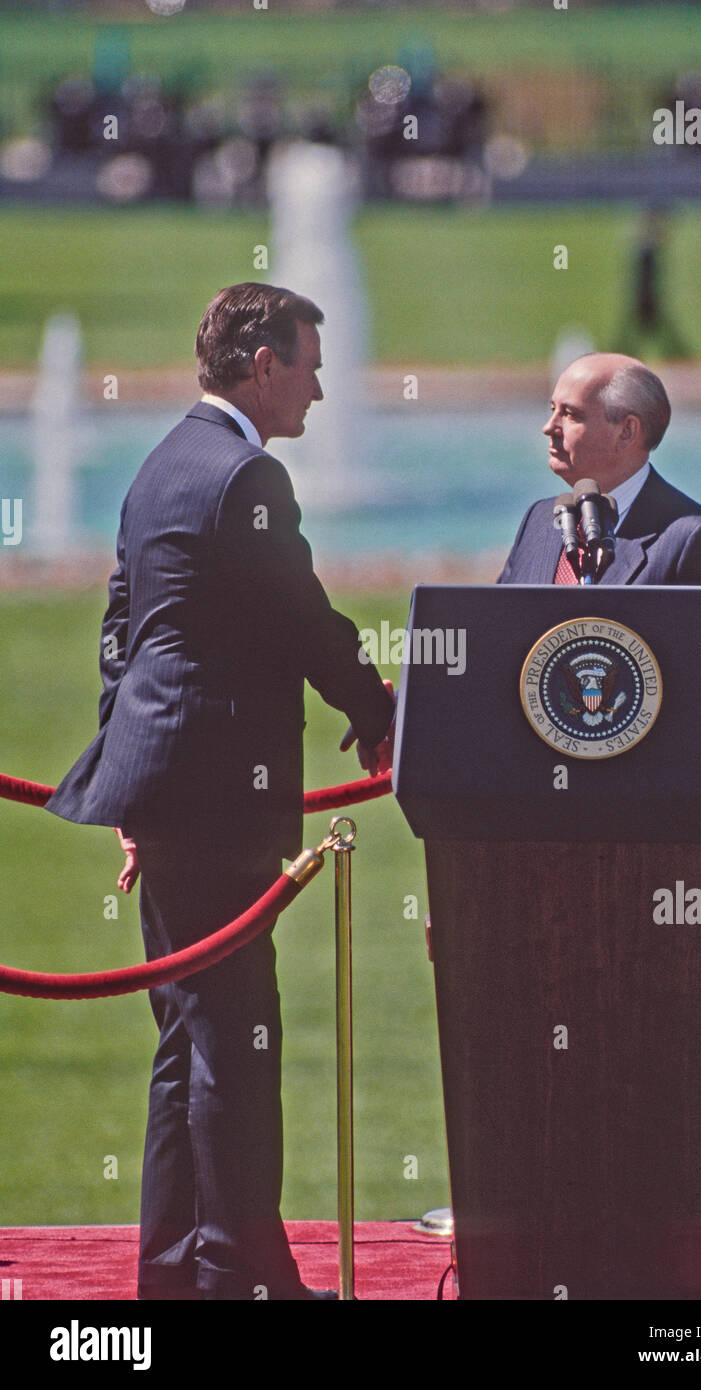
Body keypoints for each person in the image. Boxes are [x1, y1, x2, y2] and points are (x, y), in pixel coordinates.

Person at [45, 283, 396, 1300]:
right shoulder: (245, 474)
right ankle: (243, 1280)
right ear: (261, 362)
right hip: (212, 795)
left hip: (169, 784)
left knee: (188, 1038)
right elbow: (301, 616)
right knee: (234, 1042)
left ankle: (179, 1276)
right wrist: (380, 715)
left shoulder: (162, 465)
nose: (323, 389)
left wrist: (129, 782)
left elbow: (123, 629)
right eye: (310, 364)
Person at [498, 352, 701, 587]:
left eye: (570, 414)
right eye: (553, 410)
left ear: (627, 432)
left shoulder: (697, 540)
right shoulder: (539, 519)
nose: (549, 427)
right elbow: (495, 624)